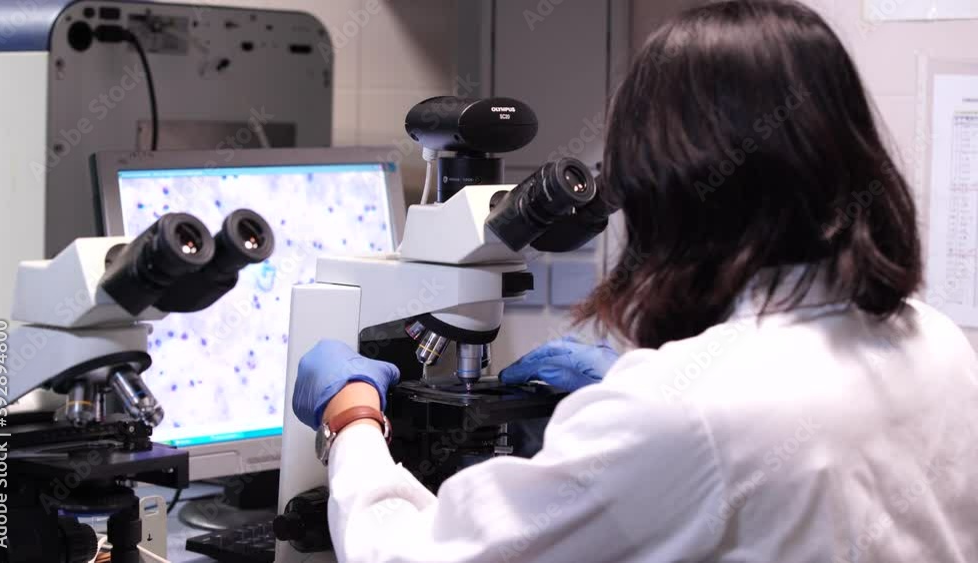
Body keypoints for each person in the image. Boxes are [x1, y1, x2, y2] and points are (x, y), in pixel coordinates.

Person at [291, 1, 978, 561]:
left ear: (670, 192)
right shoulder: (939, 345)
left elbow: (414, 557)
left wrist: (350, 417)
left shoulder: (689, 413)